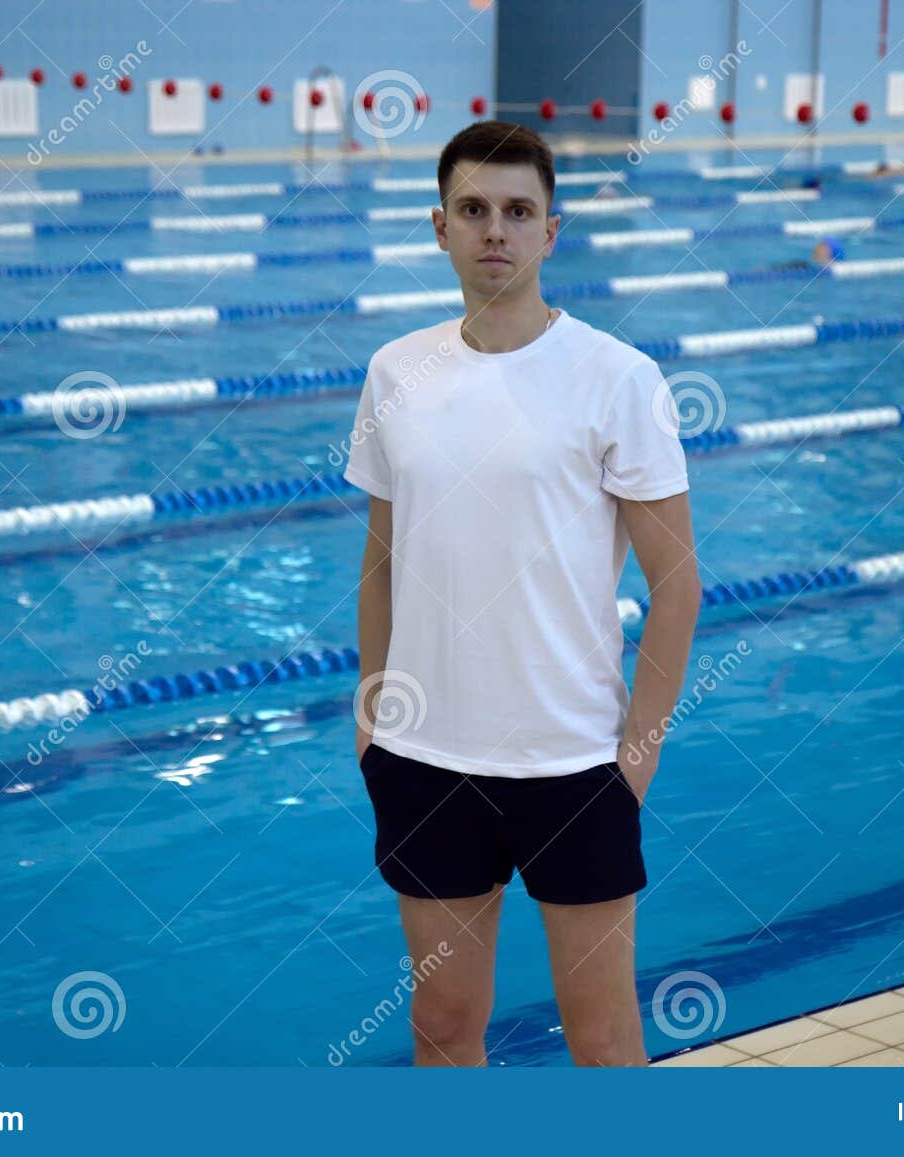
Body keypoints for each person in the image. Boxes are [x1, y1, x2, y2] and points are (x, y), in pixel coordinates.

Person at [342, 120, 701, 1067]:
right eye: (472, 209)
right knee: (443, 1025)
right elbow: (381, 560)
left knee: (603, 1036)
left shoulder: (618, 378)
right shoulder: (396, 372)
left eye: (517, 211)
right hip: (426, 762)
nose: (494, 229)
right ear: (440, 227)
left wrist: (636, 757)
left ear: (551, 231)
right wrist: (373, 712)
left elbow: (677, 585)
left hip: (574, 763)